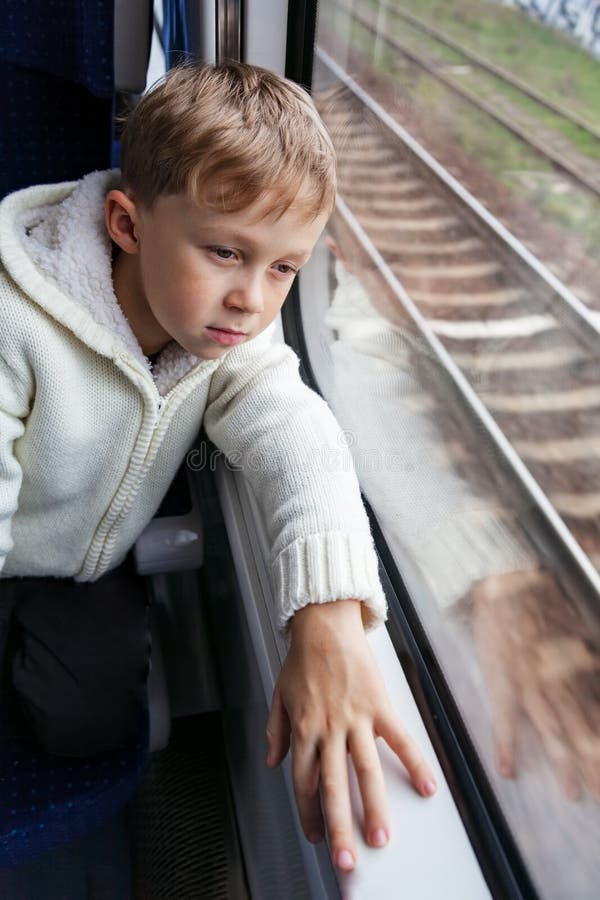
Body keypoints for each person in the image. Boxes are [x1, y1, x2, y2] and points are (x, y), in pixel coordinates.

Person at [0, 62, 437, 873]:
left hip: (84, 564)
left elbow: (295, 434)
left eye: (284, 269)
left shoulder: (226, 332)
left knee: (86, 723)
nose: (254, 301)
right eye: (227, 252)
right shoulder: (15, 321)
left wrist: (328, 616)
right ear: (127, 225)